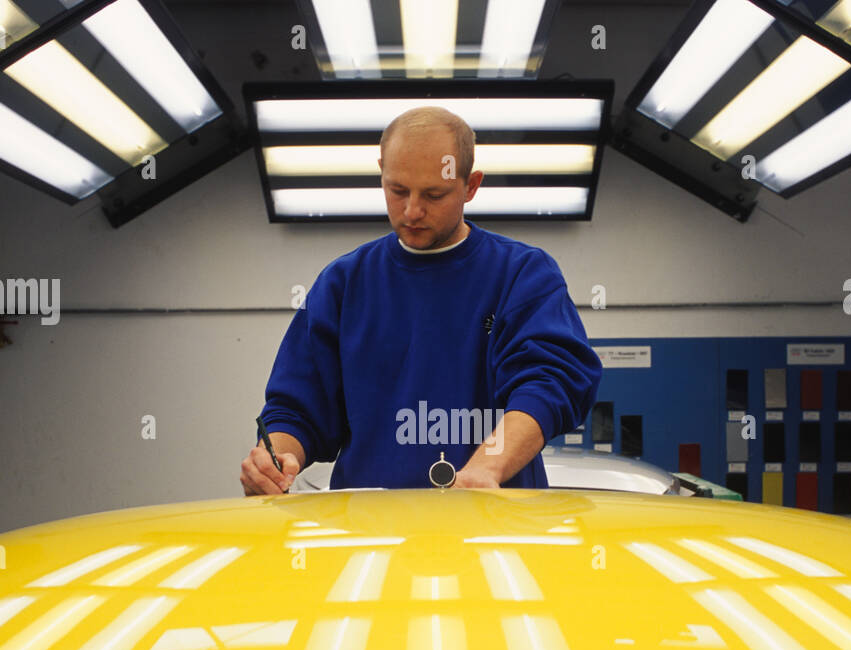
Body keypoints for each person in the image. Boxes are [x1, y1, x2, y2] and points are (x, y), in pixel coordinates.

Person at [240, 106, 601, 495]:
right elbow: (297, 408)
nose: (412, 211)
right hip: (372, 534)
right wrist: (275, 459)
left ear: (471, 186)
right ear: (381, 172)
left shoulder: (522, 274)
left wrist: (485, 469)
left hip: (493, 528)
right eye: (397, 190)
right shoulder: (342, 284)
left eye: (434, 194)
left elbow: (551, 382)